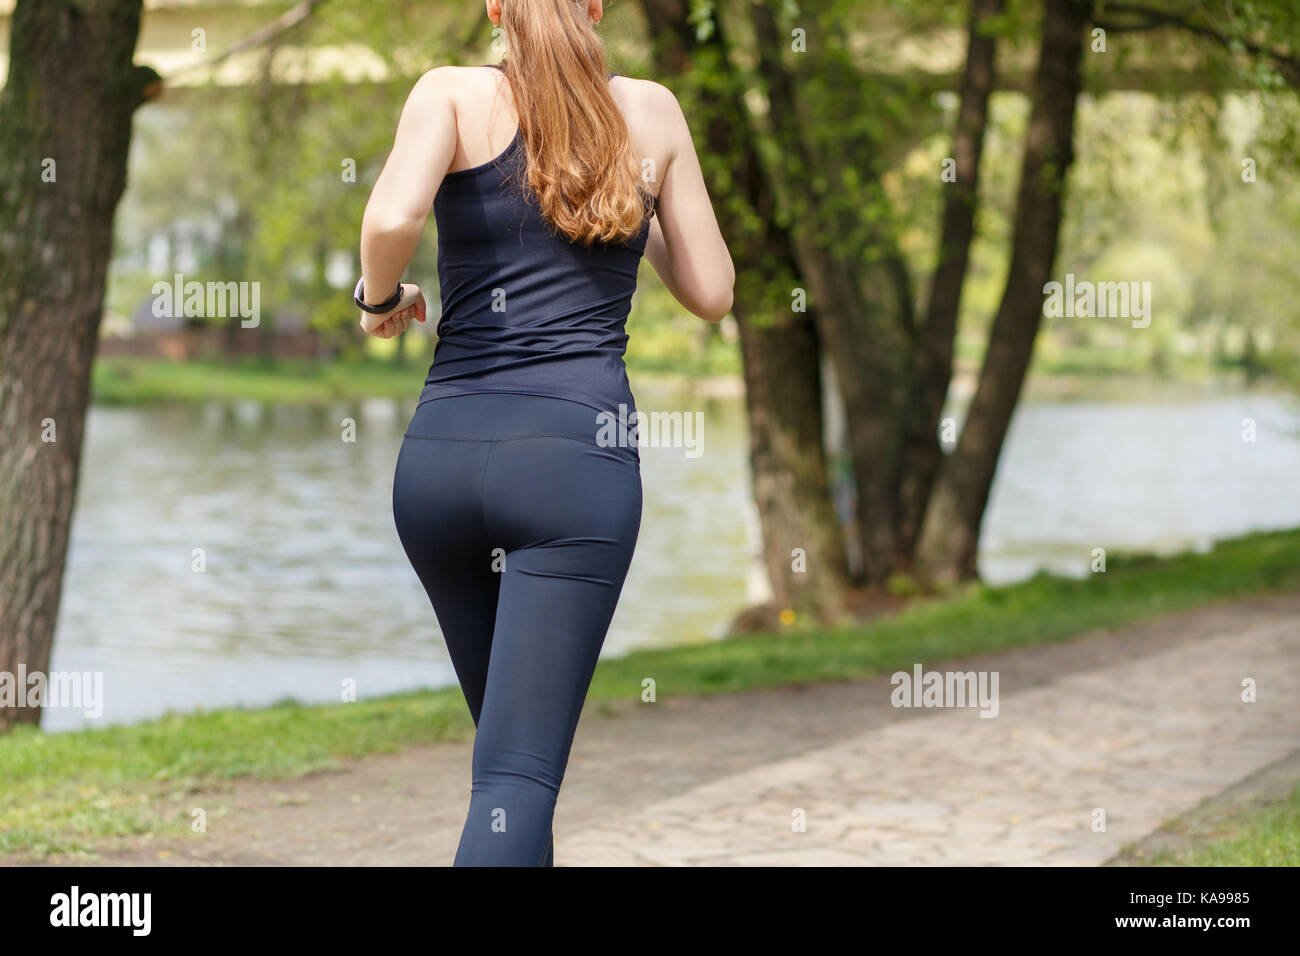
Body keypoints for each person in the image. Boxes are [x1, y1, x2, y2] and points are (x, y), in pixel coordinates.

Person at [356, 0, 733, 866]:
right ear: (596, 6)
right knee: (516, 781)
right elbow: (713, 290)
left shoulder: (448, 95)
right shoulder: (652, 112)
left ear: (495, 6)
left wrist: (380, 302)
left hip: (440, 467)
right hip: (573, 466)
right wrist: (638, 212)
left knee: (510, 758)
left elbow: (387, 223)